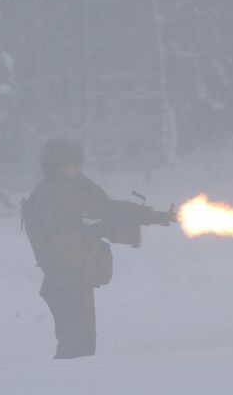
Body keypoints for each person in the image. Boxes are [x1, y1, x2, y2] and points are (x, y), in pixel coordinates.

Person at [21, 139, 173, 359]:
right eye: (72, 164)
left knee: (80, 344)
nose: (78, 169)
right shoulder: (54, 194)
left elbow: (92, 217)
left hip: (72, 278)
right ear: (56, 167)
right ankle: (66, 387)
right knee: (76, 346)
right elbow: (100, 210)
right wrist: (144, 216)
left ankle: (71, 386)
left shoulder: (64, 190)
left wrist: (148, 217)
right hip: (66, 281)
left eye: (78, 164)